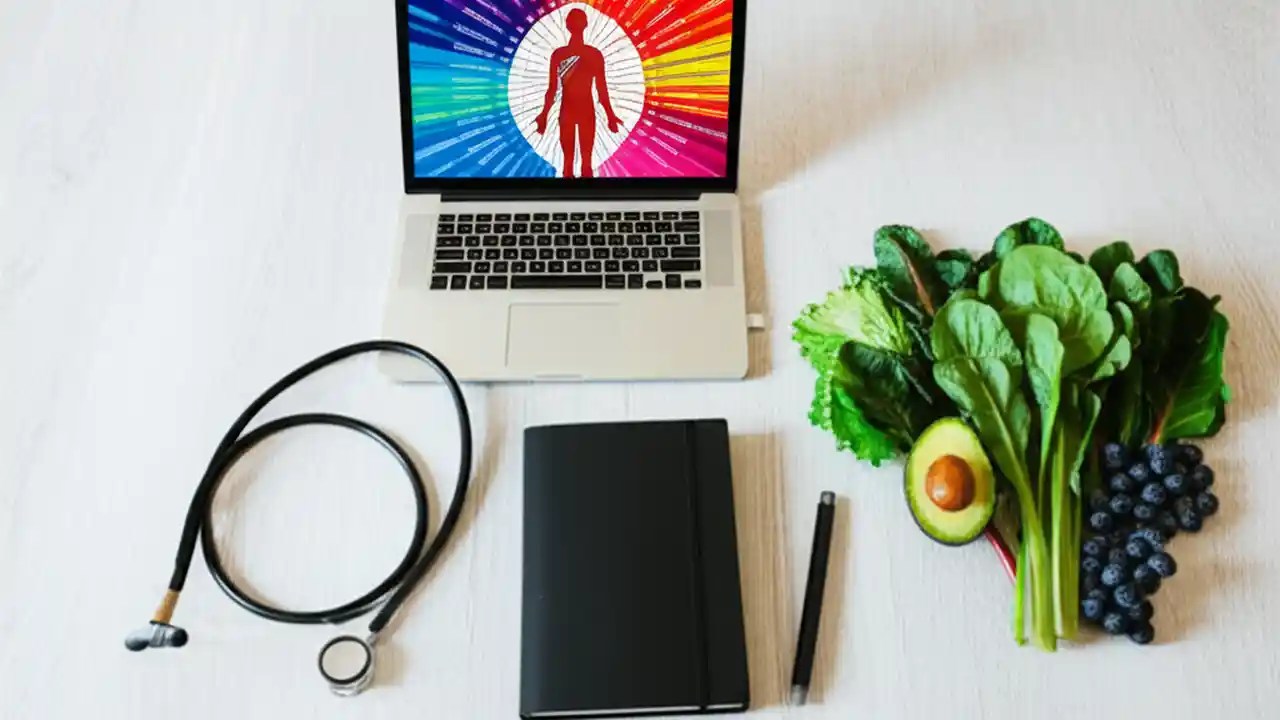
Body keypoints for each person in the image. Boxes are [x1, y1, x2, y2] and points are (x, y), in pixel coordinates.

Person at [533, 8, 623, 178]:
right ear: (586, 24)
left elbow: (552, 89)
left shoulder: (559, 55)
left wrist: (544, 115)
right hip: (586, 111)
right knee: (586, 165)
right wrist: (610, 115)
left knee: (568, 166)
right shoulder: (594, 54)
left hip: (568, 111)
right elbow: (601, 89)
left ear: (567, 25)